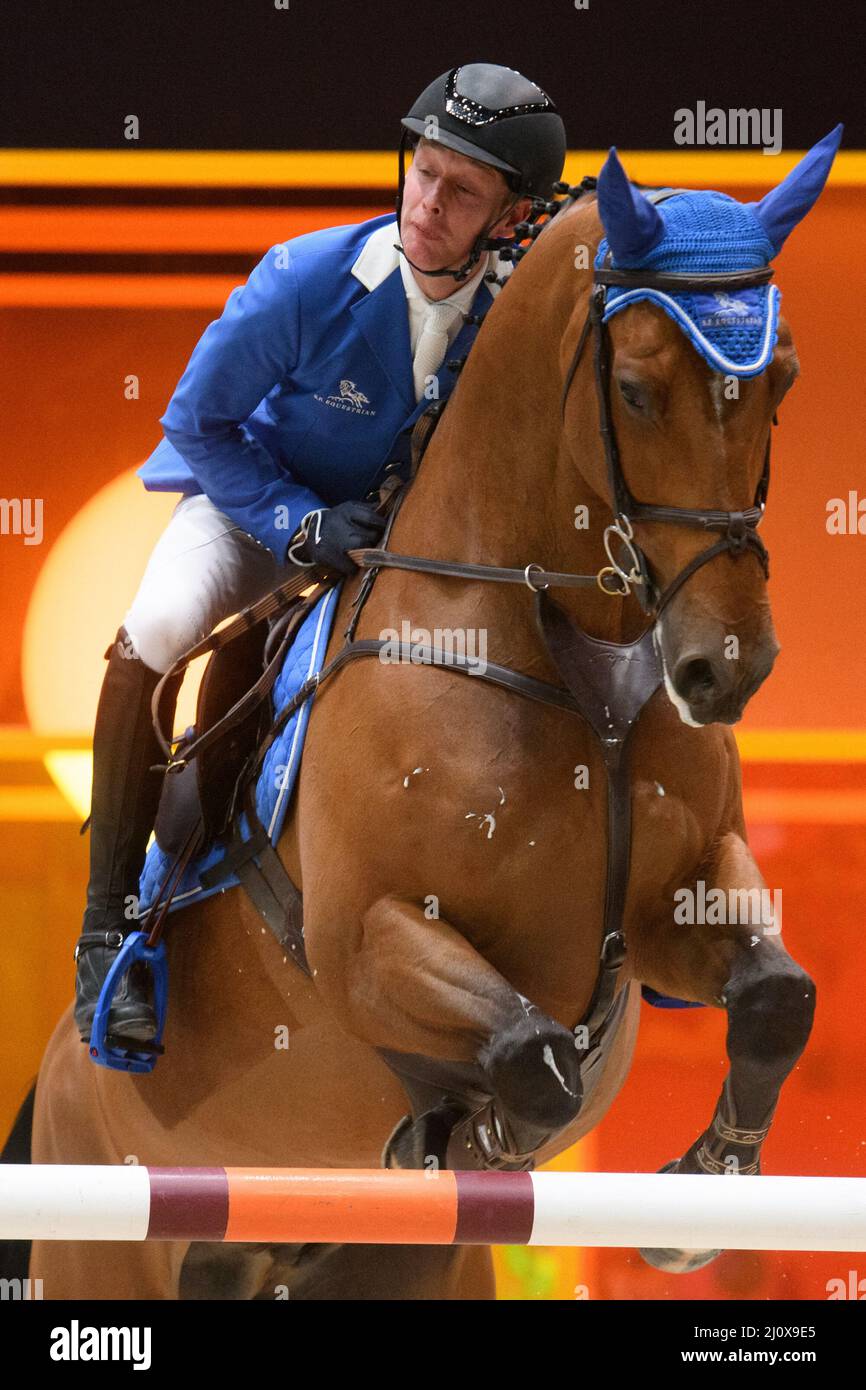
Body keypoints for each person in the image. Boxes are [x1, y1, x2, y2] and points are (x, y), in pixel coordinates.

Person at [73, 63, 567, 1046]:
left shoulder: (514, 318)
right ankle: (109, 932)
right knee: (154, 635)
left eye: (460, 191)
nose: (426, 202)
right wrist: (298, 524)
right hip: (253, 508)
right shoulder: (304, 279)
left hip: (401, 553)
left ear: (510, 215)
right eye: (423, 172)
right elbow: (198, 421)